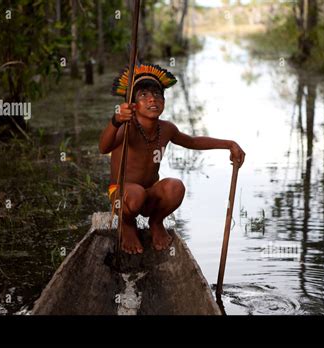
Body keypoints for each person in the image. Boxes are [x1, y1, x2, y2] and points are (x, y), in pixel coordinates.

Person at [99, 64, 245, 254]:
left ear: (164, 102)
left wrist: (229, 144)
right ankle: (127, 224)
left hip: (149, 193)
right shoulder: (126, 127)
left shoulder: (166, 129)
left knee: (175, 187)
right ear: (133, 105)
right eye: (143, 95)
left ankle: (156, 222)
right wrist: (116, 121)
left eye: (157, 94)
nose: (152, 98)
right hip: (123, 196)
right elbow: (103, 147)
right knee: (135, 195)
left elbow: (192, 142)